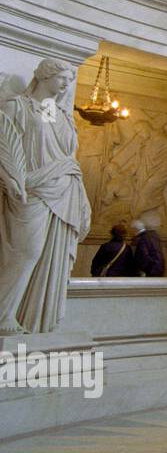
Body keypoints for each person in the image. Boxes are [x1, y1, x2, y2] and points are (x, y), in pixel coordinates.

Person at [0, 59, 92, 333]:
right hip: (31, 190)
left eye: (69, 80)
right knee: (26, 252)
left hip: (64, 190)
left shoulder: (60, 115)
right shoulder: (17, 106)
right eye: (62, 77)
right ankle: (3, 313)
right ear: (44, 75)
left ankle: (25, 316)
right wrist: (9, 179)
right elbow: (4, 146)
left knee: (46, 257)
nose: (66, 84)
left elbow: (66, 156)